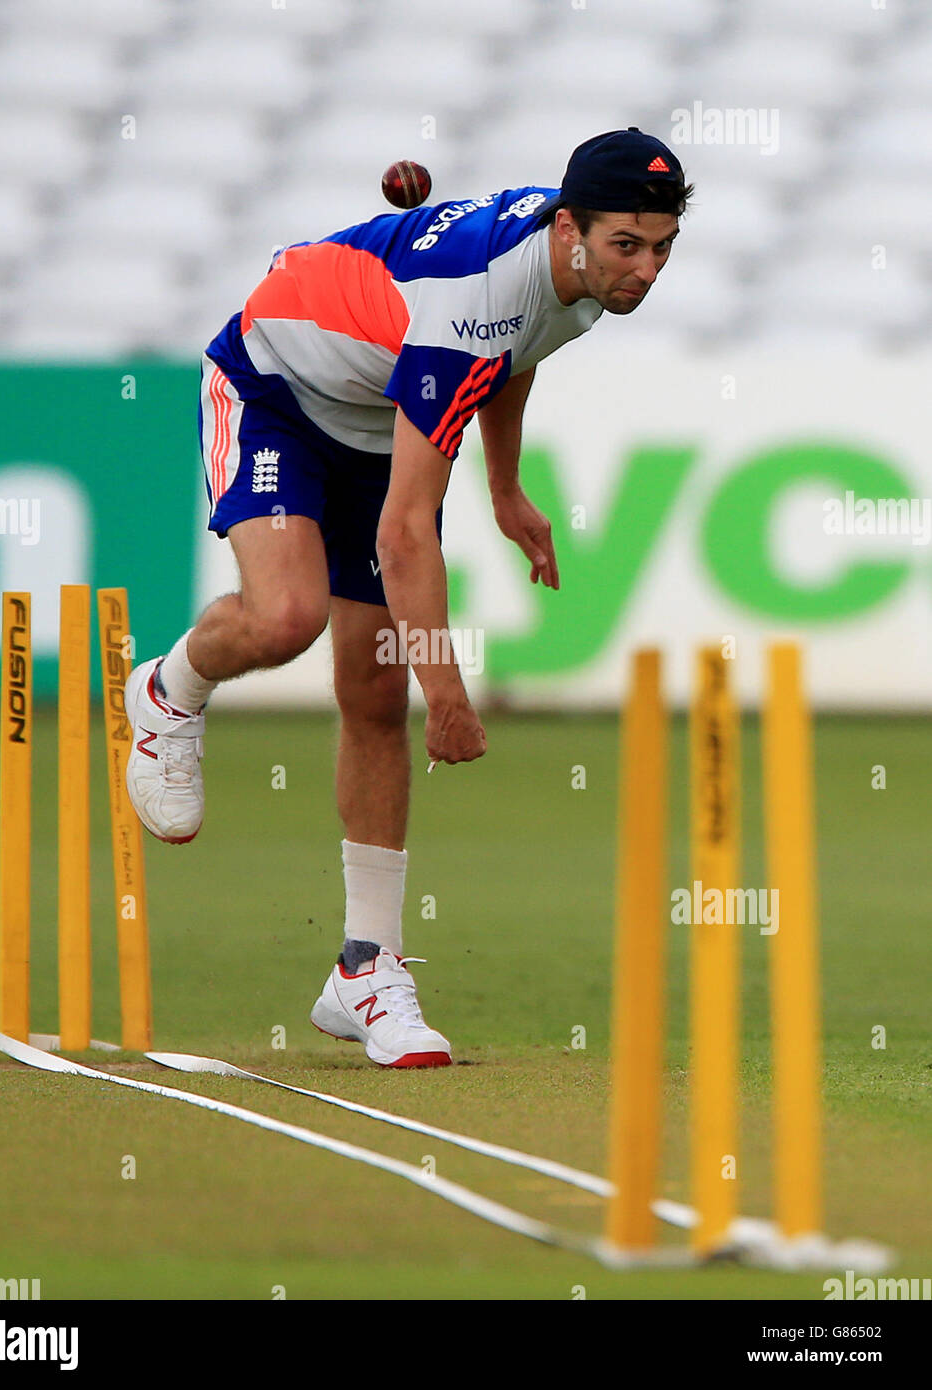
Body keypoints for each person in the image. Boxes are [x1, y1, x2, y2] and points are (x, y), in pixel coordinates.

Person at [123, 128, 692, 1068]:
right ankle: (166, 690)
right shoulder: (479, 294)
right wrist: (454, 694)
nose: (645, 270)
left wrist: (506, 489)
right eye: (627, 246)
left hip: (376, 416)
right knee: (286, 618)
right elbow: (404, 532)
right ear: (568, 227)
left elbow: (518, 353)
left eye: (662, 247)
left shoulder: (584, 277)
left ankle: (364, 970)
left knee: (374, 689)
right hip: (271, 385)